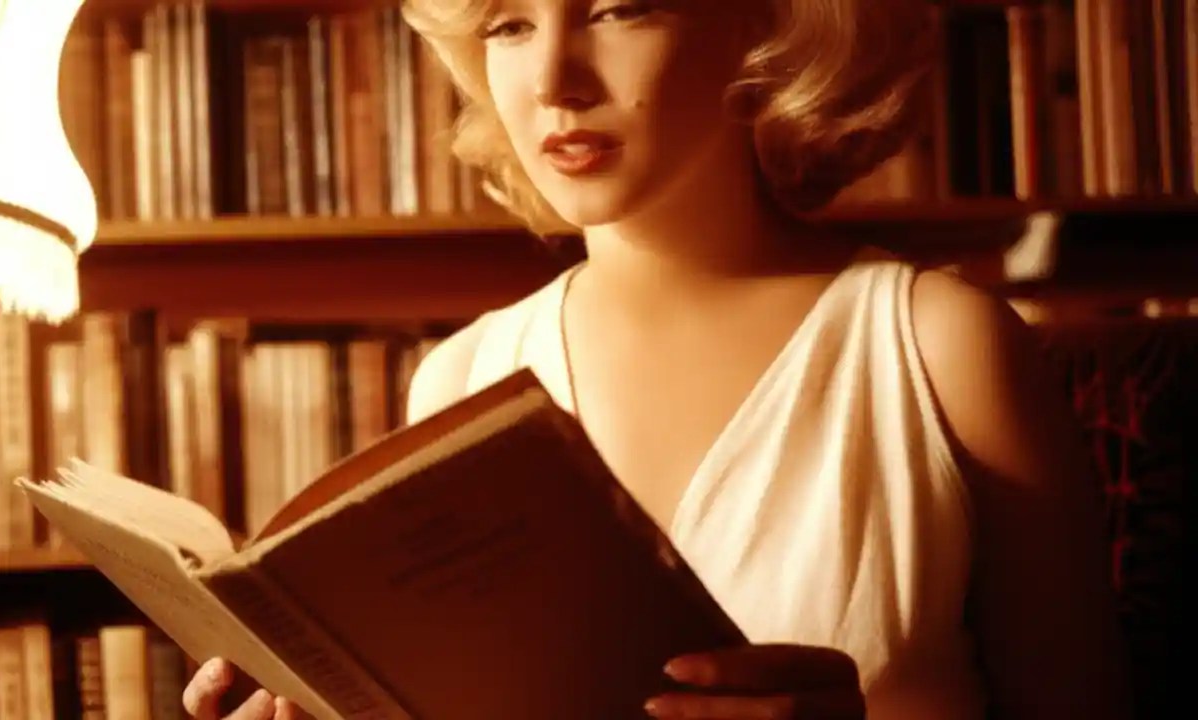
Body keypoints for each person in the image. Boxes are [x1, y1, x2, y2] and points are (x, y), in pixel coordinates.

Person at [183, 0, 1133, 718]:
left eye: (620, 7)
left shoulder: (942, 349)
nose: (555, 76)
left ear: (768, 27)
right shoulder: (461, 378)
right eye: (509, 23)